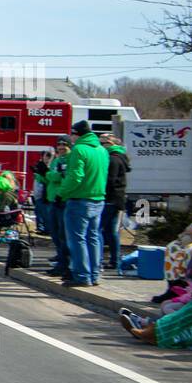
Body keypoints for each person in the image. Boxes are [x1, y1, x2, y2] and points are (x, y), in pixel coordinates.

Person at [59, 121, 108, 287]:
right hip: (98, 199)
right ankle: (94, 275)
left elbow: (75, 177)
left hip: (79, 199)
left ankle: (81, 275)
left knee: (77, 239)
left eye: (72, 134)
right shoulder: (102, 150)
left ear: (76, 134)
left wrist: (62, 192)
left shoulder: (78, 150)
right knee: (93, 238)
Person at [101, 133, 130, 272]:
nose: (101, 146)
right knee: (112, 232)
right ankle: (115, 260)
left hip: (110, 199)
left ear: (111, 144)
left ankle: (99, 260)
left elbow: (110, 180)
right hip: (118, 199)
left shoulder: (112, 159)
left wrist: (101, 191)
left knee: (98, 230)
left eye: (103, 143)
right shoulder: (121, 157)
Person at [43, 137, 72, 276]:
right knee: (54, 233)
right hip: (52, 200)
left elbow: (62, 177)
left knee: (63, 235)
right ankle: (60, 261)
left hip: (63, 200)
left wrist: (51, 175)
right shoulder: (56, 160)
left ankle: (64, 265)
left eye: (64, 144)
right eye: (59, 144)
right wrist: (46, 173)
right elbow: (50, 176)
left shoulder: (69, 159)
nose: (61, 147)